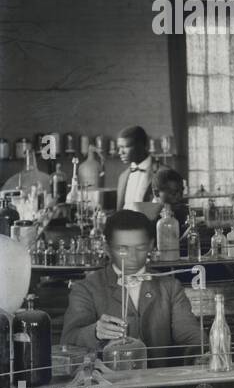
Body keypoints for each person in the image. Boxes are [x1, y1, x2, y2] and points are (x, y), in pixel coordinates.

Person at [61, 210, 201, 363]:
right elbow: (68, 340)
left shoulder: (169, 287)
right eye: (123, 249)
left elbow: (189, 335)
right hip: (109, 383)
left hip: (160, 382)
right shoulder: (86, 289)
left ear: (151, 245)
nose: (133, 257)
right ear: (107, 248)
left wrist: (201, 355)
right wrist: (95, 332)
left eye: (140, 248)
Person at [114, 126, 161, 209]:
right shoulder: (122, 177)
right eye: (119, 148)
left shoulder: (163, 173)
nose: (120, 152)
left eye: (125, 147)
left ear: (142, 145)